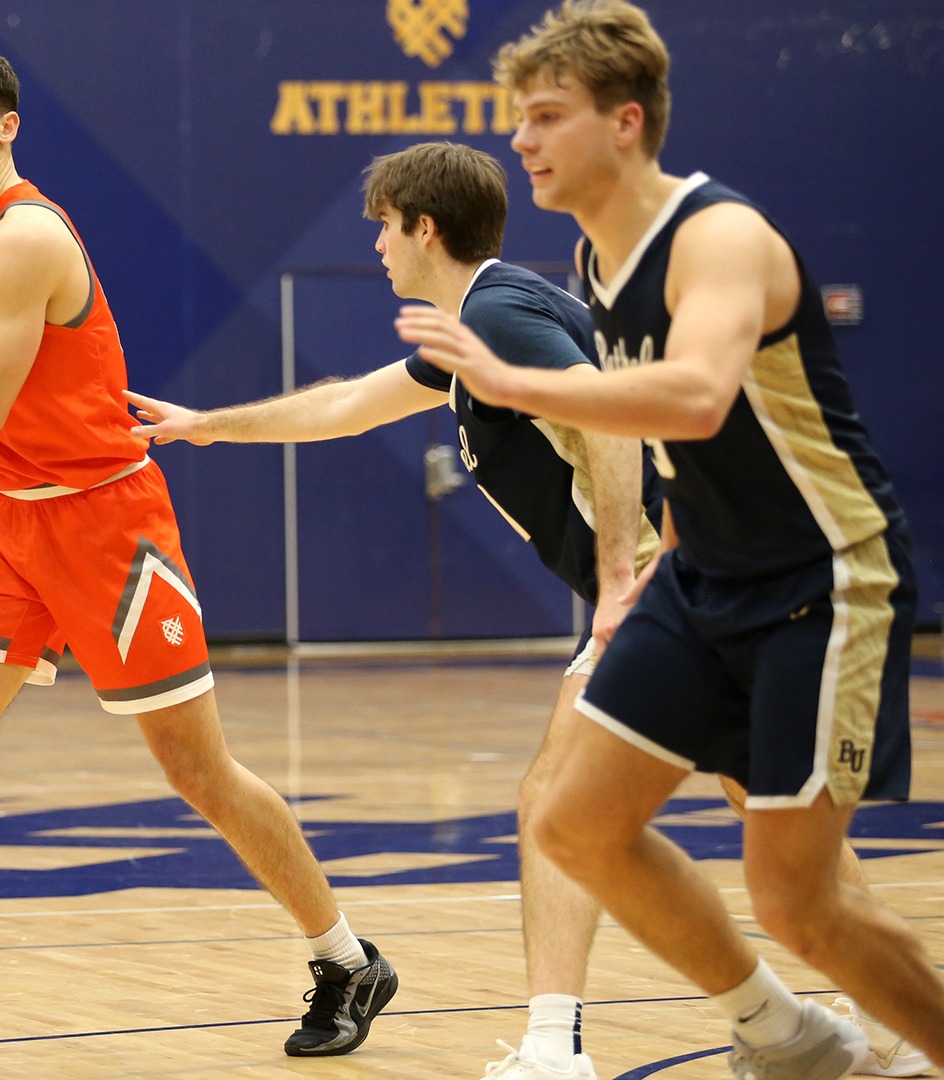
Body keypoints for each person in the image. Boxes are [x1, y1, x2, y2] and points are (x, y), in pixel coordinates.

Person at [129, 140, 915, 1079]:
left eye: (384, 226)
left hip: (677, 574)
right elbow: (345, 407)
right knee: (781, 830)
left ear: (425, 228)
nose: (377, 245)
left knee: (557, 804)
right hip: (703, 576)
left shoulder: (500, 311)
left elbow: (602, 414)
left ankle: (558, 1048)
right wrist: (206, 425)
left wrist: (620, 580)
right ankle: (876, 1030)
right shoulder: (479, 327)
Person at [0, 43, 396, 1072]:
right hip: (13, 521)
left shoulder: (23, 235)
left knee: (196, 770)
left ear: (6, 127)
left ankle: (347, 960)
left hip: (110, 525)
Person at [396, 2, 944, 1078]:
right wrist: (653, 571)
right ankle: (784, 1034)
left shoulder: (718, 235)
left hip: (821, 576)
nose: (523, 140)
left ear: (627, 123)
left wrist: (516, 383)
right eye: (521, 119)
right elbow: (683, 455)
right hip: (704, 578)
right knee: (571, 820)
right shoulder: (600, 264)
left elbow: (693, 399)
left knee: (799, 899)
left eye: (548, 116)